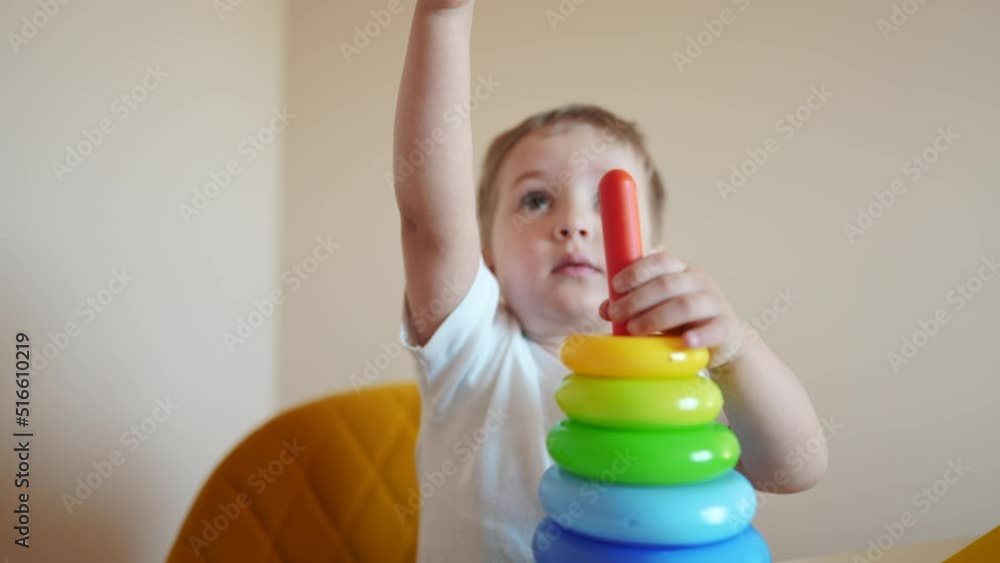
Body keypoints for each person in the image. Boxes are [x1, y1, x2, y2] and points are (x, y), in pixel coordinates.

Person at [390, 1, 828, 560]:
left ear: (655, 256)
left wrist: (734, 347)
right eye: (536, 199)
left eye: (606, 204)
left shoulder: (676, 376)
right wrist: (442, 18)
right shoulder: (474, 352)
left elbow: (794, 469)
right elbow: (429, 224)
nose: (573, 223)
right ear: (488, 259)